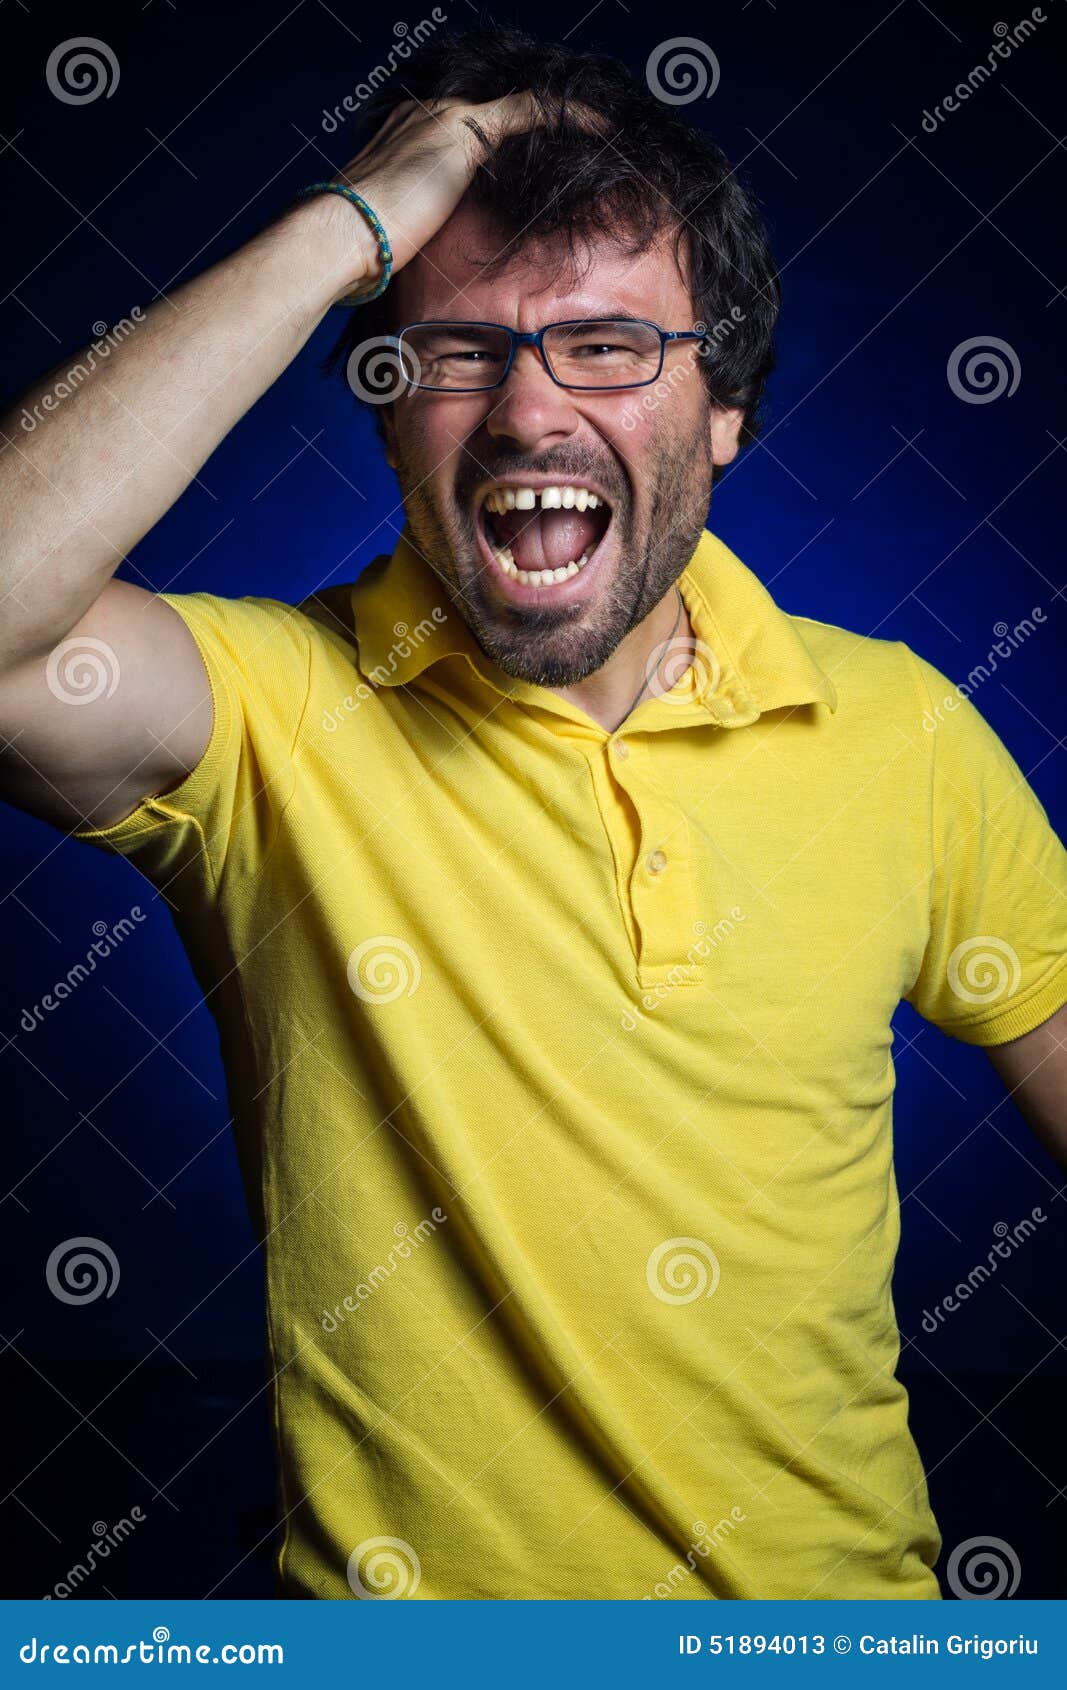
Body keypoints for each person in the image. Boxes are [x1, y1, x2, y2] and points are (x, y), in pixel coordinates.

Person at [2, 26, 1064, 1602]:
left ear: (727, 410)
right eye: (455, 352)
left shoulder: (900, 725)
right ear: (384, 410)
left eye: (611, 345)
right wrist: (352, 222)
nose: (525, 411)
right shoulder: (273, 717)